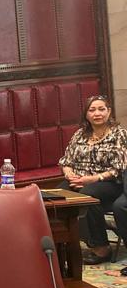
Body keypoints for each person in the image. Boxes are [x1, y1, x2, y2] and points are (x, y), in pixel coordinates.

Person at [58, 93, 127, 264]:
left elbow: (120, 168)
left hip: (109, 182)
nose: (97, 113)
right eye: (92, 110)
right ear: (86, 115)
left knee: (88, 195)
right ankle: (66, 243)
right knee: (58, 196)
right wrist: (69, 174)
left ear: (109, 112)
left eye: (101, 109)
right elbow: (66, 161)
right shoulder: (80, 134)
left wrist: (92, 179)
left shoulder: (119, 134)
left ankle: (101, 248)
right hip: (78, 179)